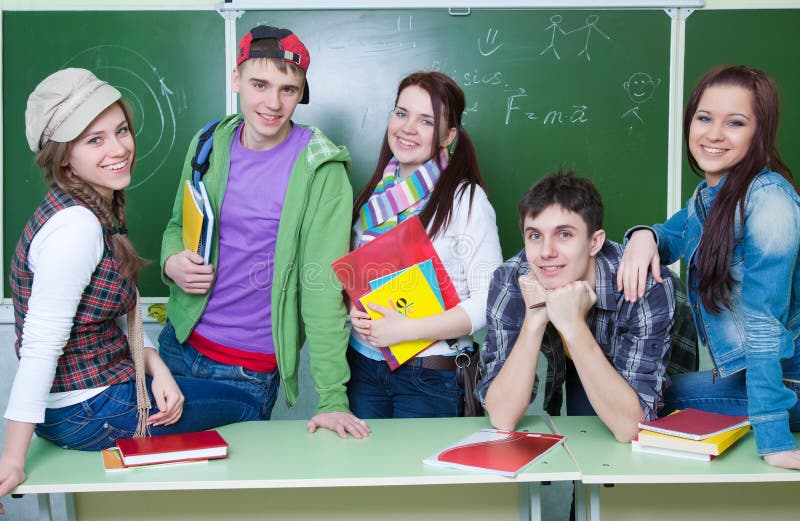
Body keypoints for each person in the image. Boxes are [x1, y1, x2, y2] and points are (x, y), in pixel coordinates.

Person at [0, 68, 260, 512]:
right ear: (64, 156)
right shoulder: (76, 228)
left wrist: (157, 369)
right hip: (86, 409)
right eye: (94, 140)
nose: (120, 148)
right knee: (249, 404)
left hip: (92, 397)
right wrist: (12, 459)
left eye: (121, 130)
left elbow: (118, 315)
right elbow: (42, 346)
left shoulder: (90, 205)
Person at [158, 26, 369, 439]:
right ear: (236, 80)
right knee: (157, 486)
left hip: (245, 370)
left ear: (301, 92)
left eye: (288, 90)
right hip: (176, 345)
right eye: (260, 84)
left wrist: (332, 400)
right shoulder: (207, 143)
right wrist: (171, 263)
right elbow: (176, 227)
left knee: (224, 498)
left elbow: (321, 287)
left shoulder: (321, 171)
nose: (273, 103)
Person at [618, 65, 800, 469]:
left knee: (634, 399)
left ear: (760, 133)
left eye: (735, 123)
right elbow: (672, 234)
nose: (714, 134)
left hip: (789, 383)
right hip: (762, 377)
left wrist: (774, 439)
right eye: (704, 118)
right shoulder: (712, 197)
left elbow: (764, 324)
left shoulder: (770, 202)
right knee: (628, 391)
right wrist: (644, 235)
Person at [478, 168, 698, 442]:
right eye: (535, 236)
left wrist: (572, 325)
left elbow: (632, 428)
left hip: (656, 378)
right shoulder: (510, 279)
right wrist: (534, 320)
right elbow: (502, 416)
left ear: (595, 242)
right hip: (586, 362)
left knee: (647, 465)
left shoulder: (647, 285)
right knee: (585, 447)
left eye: (564, 235)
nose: (546, 252)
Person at [348, 71, 503, 418]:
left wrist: (405, 330)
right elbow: (356, 279)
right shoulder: (373, 196)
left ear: (449, 135)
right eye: (401, 113)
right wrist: (351, 309)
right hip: (362, 366)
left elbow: (487, 302)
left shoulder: (466, 200)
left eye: (426, 121)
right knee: (363, 471)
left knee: (415, 473)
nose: (407, 128)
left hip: (429, 376)